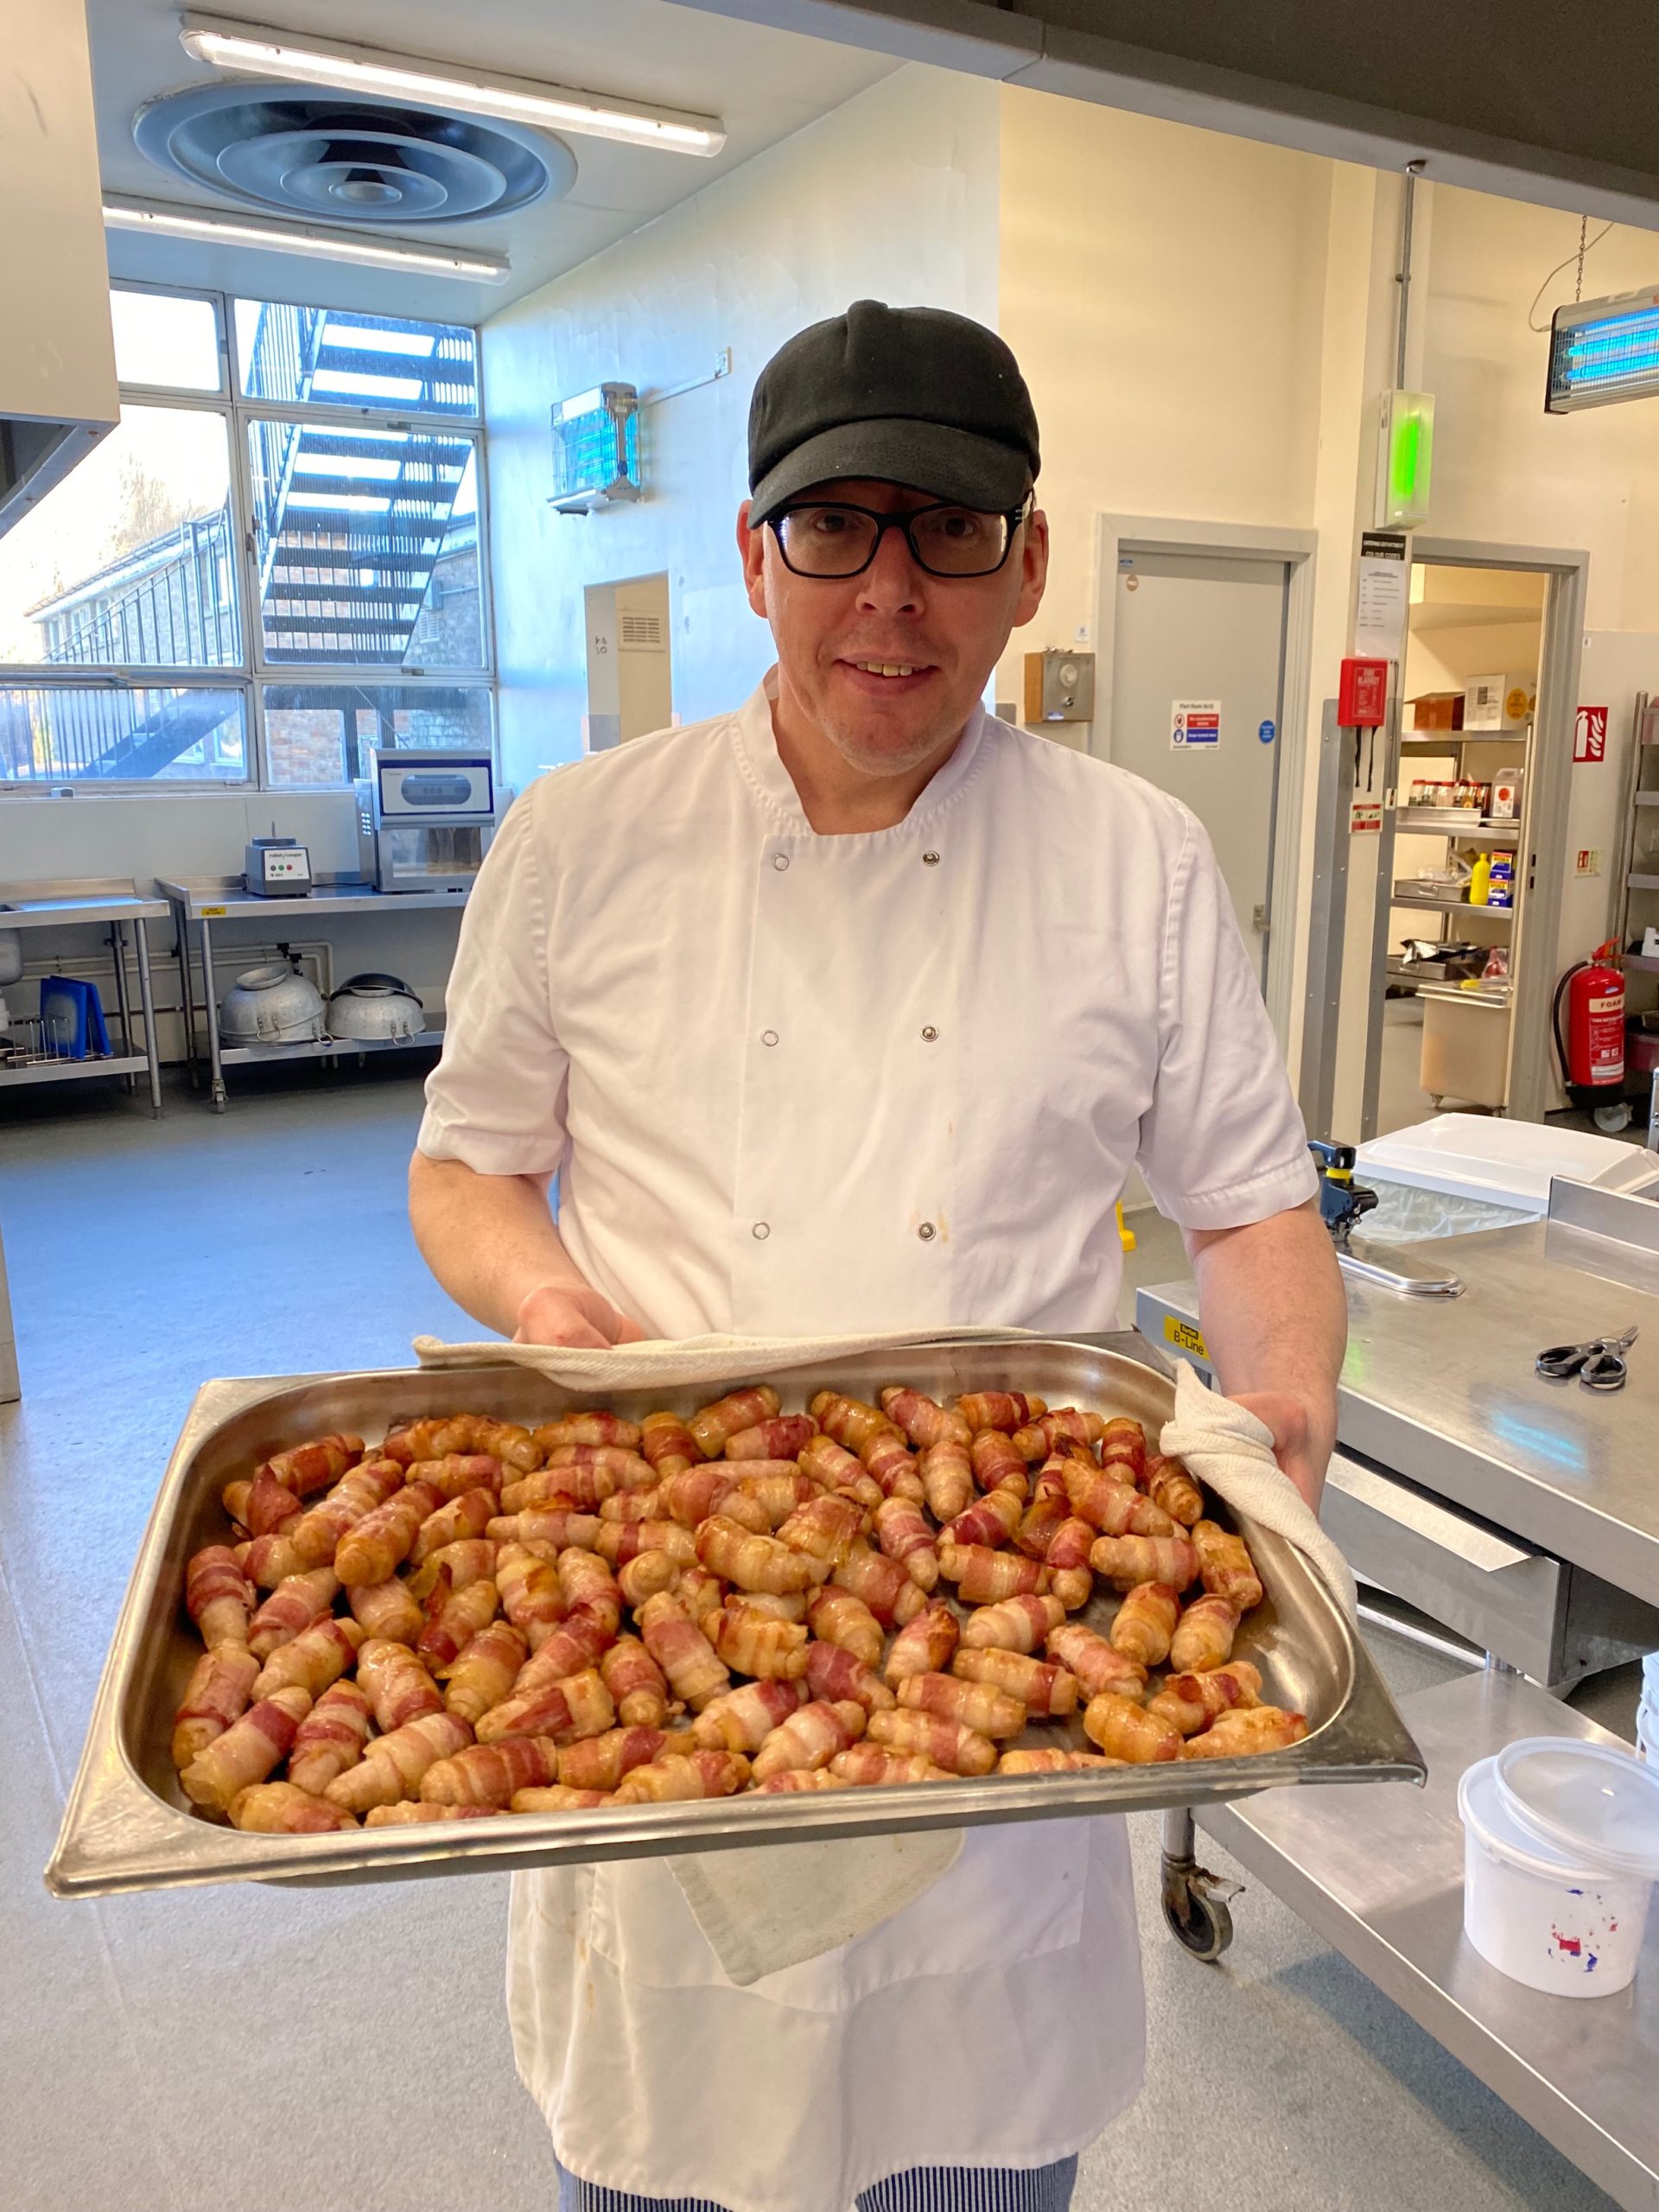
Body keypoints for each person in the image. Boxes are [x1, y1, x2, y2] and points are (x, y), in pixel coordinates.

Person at [410, 298, 1346, 2212]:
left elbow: (1252, 1201)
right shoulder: (582, 840)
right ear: (755, 557)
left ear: (1031, 564)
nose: (891, 594)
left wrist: (1285, 1411)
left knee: (966, 2153)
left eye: (951, 530)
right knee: (668, 2153)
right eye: (836, 527)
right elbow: (467, 1168)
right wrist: (546, 1300)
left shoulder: (1137, 860)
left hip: (1005, 1700)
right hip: (667, 1668)